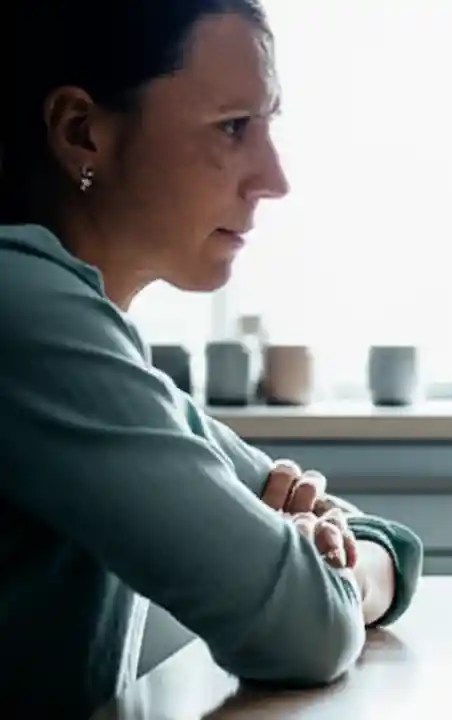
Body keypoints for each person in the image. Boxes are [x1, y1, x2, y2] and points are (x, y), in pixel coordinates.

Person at [0, 1, 423, 715]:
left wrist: (329, 564)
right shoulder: (25, 313)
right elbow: (303, 632)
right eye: (233, 127)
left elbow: (386, 542)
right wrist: (322, 576)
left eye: (269, 125)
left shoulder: (89, 332)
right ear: (82, 132)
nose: (274, 177)